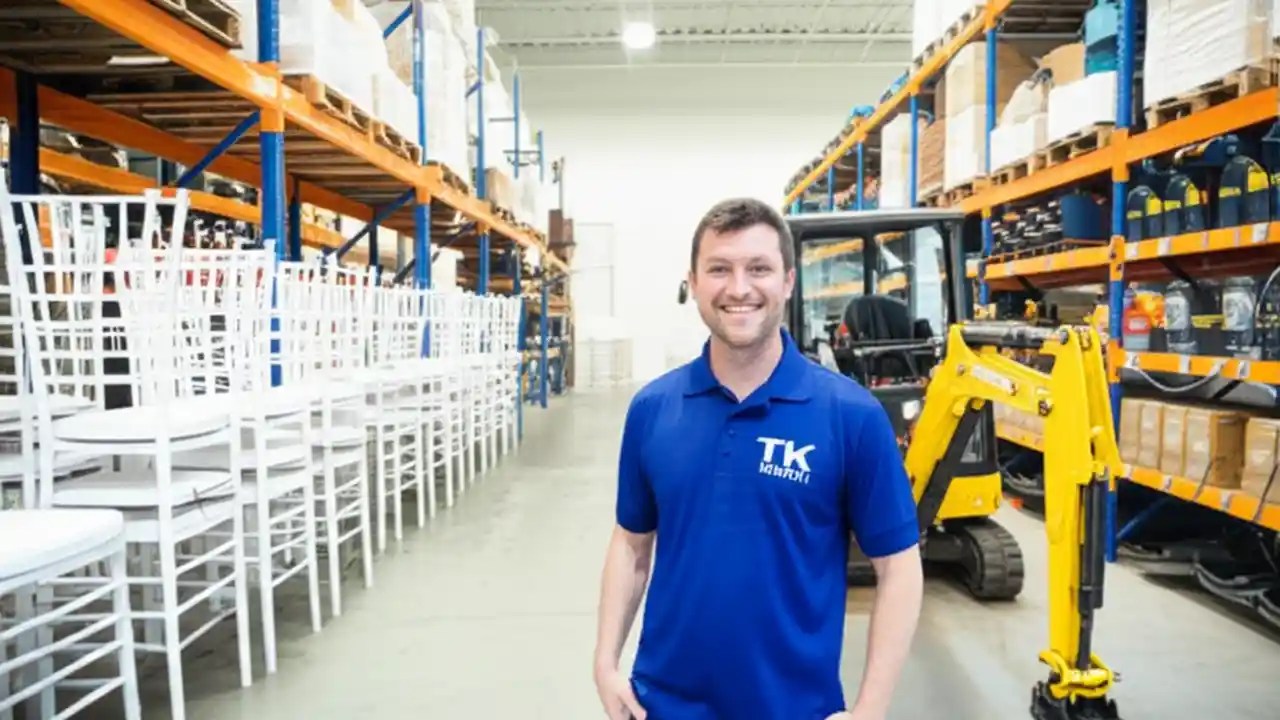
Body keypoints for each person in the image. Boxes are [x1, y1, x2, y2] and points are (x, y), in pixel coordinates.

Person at [592, 198, 924, 720]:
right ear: (694, 282)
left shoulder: (850, 415)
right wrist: (606, 664)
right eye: (719, 269)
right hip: (661, 705)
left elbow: (899, 565)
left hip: (796, 709)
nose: (739, 288)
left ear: (788, 281)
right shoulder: (653, 410)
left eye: (759, 269)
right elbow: (632, 545)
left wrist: (872, 708)